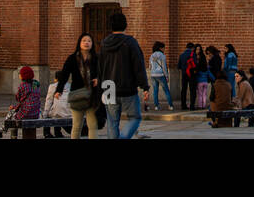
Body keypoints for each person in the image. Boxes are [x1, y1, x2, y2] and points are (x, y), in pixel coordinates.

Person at [98, 11, 149, 139]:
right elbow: (139, 65)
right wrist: (145, 86)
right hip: (127, 87)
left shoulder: (104, 44)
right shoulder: (130, 42)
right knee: (135, 117)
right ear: (125, 25)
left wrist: (100, 86)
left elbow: (100, 67)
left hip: (109, 88)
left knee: (112, 121)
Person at [55, 33, 101, 139]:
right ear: (79, 43)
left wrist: (99, 79)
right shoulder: (72, 58)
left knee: (92, 125)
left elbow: (103, 72)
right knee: (76, 125)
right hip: (77, 95)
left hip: (92, 96)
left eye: (89, 41)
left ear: (92, 44)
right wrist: (59, 90)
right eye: (84, 40)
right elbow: (64, 74)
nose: (86, 43)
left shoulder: (96, 58)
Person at [0, 66, 42, 139]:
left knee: (11, 114)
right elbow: (28, 100)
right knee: (15, 111)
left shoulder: (23, 86)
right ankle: (0, 132)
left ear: (24, 75)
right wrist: (16, 107)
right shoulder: (35, 84)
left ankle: (2, 132)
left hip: (26, 114)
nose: (19, 75)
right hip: (35, 113)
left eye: (20, 74)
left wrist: (14, 108)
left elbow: (18, 98)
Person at [148, 41, 172, 111]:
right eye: (163, 48)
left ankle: (156, 106)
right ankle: (170, 105)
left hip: (153, 75)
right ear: (160, 48)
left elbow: (150, 66)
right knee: (166, 90)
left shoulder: (152, 55)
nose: (164, 49)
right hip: (161, 74)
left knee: (155, 91)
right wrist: (167, 76)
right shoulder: (162, 56)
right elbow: (164, 67)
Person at [193, 44, 213, 110]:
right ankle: (203, 105)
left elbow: (196, 74)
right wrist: (214, 79)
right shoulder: (206, 68)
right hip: (205, 82)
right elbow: (210, 74)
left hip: (200, 82)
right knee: (204, 95)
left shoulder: (198, 69)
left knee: (200, 95)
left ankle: (200, 105)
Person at [177, 42, 195, 110]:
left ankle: (183, 105)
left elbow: (178, 66)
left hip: (184, 74)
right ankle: (192, 106)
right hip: (192, 74)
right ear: (192, 48)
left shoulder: (181, 55)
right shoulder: (193, 54)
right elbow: (195, 64)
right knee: (192, 90)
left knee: (184, 90)